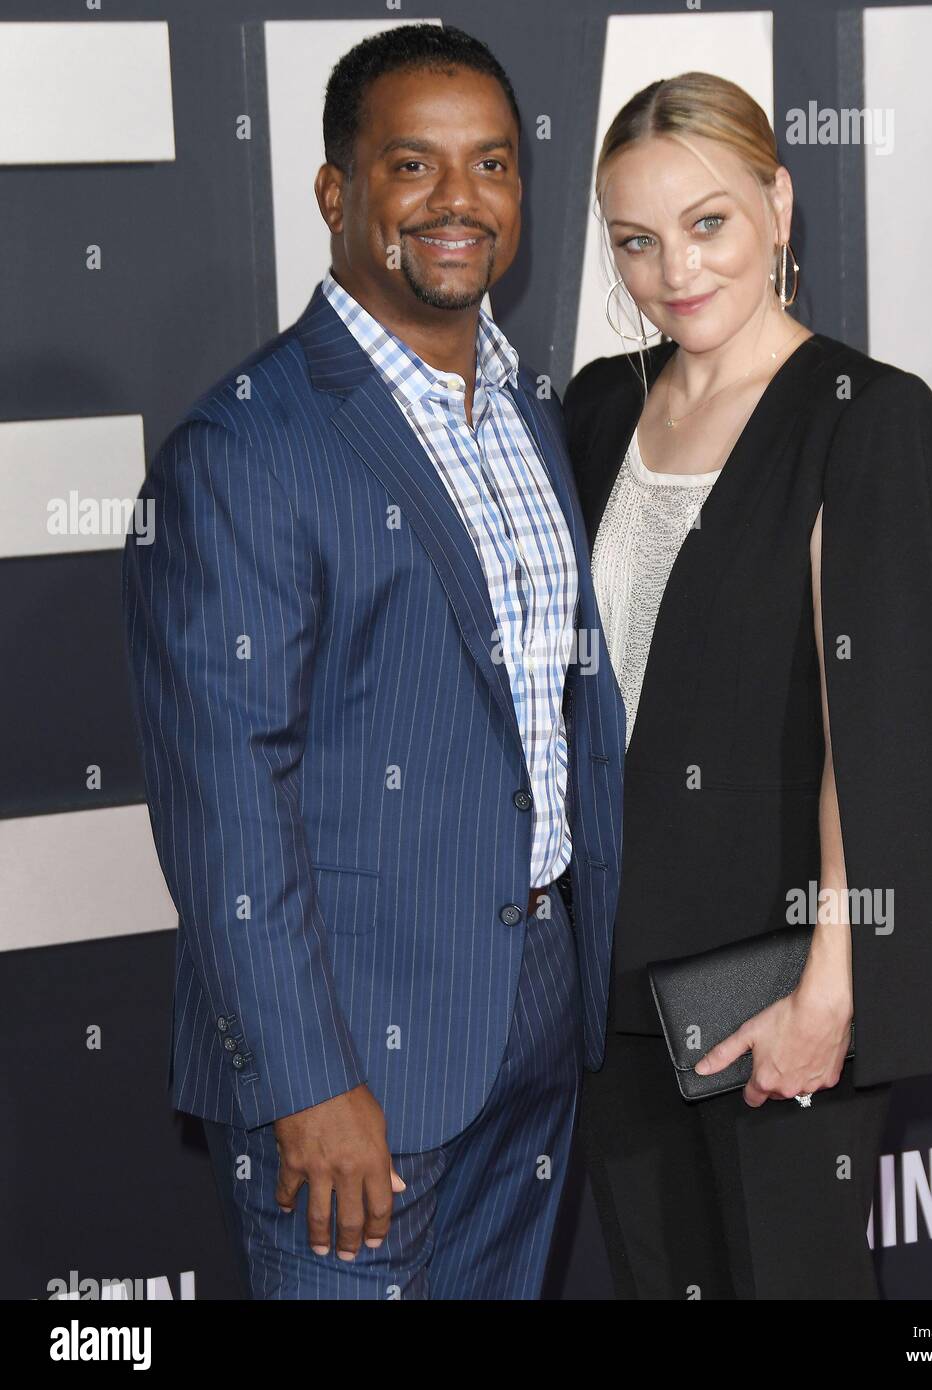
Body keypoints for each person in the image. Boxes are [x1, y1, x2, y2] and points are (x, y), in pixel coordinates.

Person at [121, 24, 624, 1300]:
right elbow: (224, 794)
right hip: (354, 1066)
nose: (460, 200)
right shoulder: (246, 447)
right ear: (337, 194)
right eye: (414, 165)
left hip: (534, 1019)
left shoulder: (521, 408)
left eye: (493, 164)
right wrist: (304, 1082)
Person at [563, 72, 932, 1299]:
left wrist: (829, 987)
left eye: (707, 222)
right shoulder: (591, 410)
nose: (672, 271)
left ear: (777, 206)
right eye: (635, 241)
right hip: (609, 972)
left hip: (772, 978)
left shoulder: (865, 417)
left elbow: (876, 737)